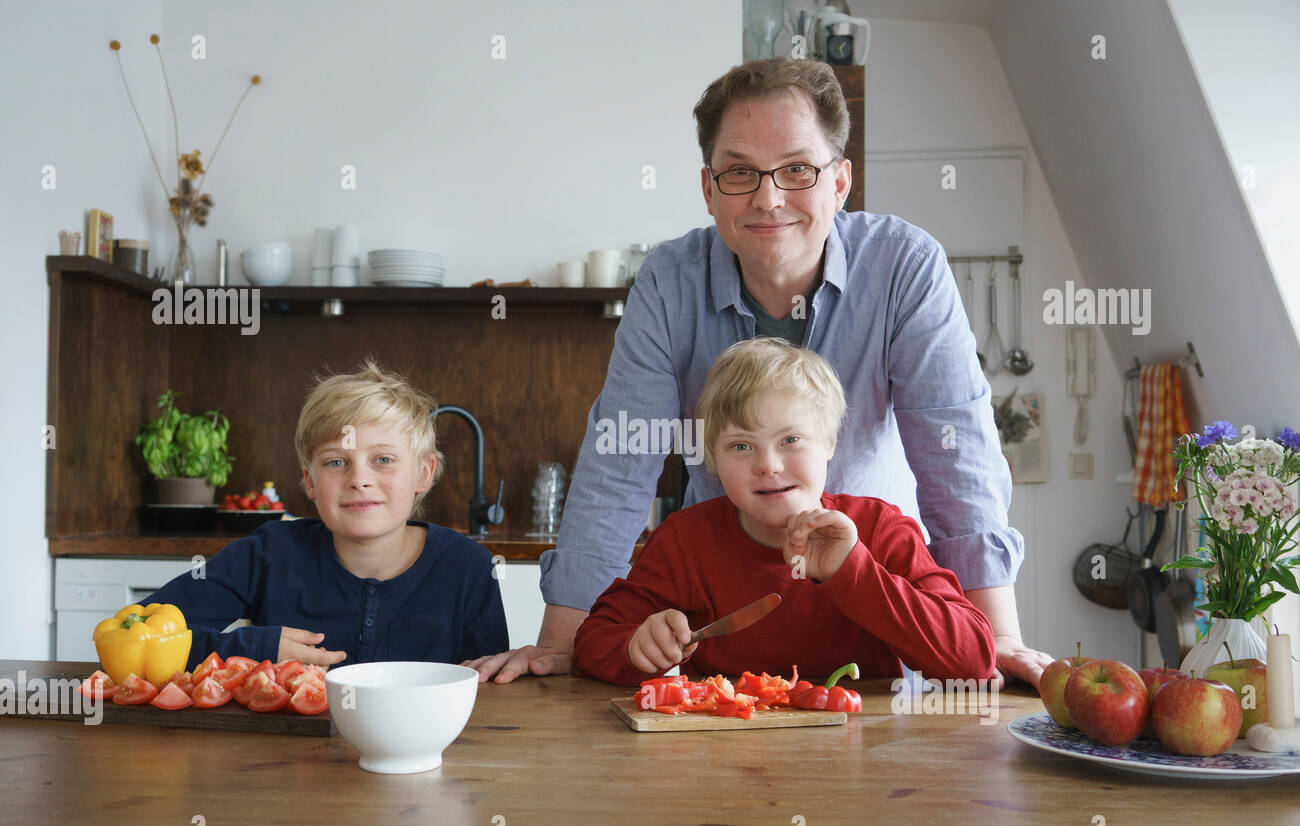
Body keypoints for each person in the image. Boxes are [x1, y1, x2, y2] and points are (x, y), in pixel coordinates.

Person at [467, 57, 1051, 687]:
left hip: (869, 595)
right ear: (709, 188)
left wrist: (998, 640)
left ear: (840, 181)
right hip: (719, 612)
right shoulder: (669, 281)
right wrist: (562, 642)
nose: (769, 199)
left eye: (797, 169)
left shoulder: (905, 266)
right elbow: (620, 461)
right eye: (741, 172)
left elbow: (954, 450)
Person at [572, 338, 995, 686]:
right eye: (741, 446)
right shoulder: (686, 540)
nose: (768, 465)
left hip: (862, 761)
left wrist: (852, 570)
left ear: (829, 443)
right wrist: (635, 648)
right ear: (713, 461)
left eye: (791, 440)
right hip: (721, 757)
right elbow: (592, 643)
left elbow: (972, 658)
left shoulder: (880, 528)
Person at [142, 359, 508, 670]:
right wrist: (255, 648)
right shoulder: (270, 553)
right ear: (310, 481)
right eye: (336, 462)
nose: (359, 480)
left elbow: (488, 692)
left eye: (383, 460)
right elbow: (134, 633)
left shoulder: (469, 568)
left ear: (424, 474)